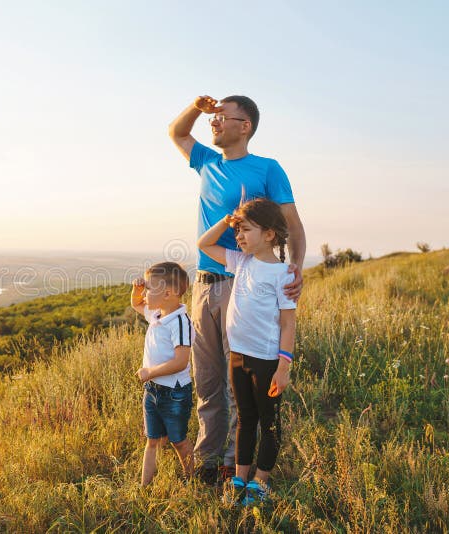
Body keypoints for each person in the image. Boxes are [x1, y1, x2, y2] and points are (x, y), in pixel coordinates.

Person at [168, 94, 305, 484]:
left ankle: (233, 462)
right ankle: (207, 460)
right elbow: (177, 133)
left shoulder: (267, 169)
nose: (214, 122)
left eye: (222, 117)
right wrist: (197, 107)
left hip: (242, 283)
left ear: (245, 126)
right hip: (204, 284)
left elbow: (293, 225)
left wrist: (295, 269)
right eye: (212, 118)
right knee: (207, 380)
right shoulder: (206, 162)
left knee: (235, 382)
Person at [198, 198, 297, 505]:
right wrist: (226, 222)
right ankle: (240, 478)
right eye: (237, 231)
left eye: (246, 230)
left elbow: (288, 324)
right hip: (238, 356)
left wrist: (283, 368)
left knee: (269, 423)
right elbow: (204, 244)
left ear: (269, 234)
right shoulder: (240, 262)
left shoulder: (283, 274)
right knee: (244, 418)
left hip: (266, 360)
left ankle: (261, 483)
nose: (239, 236)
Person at [131, 262, 195, 486]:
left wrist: (150, 372)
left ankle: (191, 480)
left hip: (174, 393)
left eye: (149, 289)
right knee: (152, 441)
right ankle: (144, 488)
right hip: (152, 390)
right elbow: (136, 303)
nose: (144, 294)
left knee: (179, 441)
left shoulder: (180, 322)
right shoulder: (157, 315)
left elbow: (181, 361)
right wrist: (137, 289)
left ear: (168, 293)